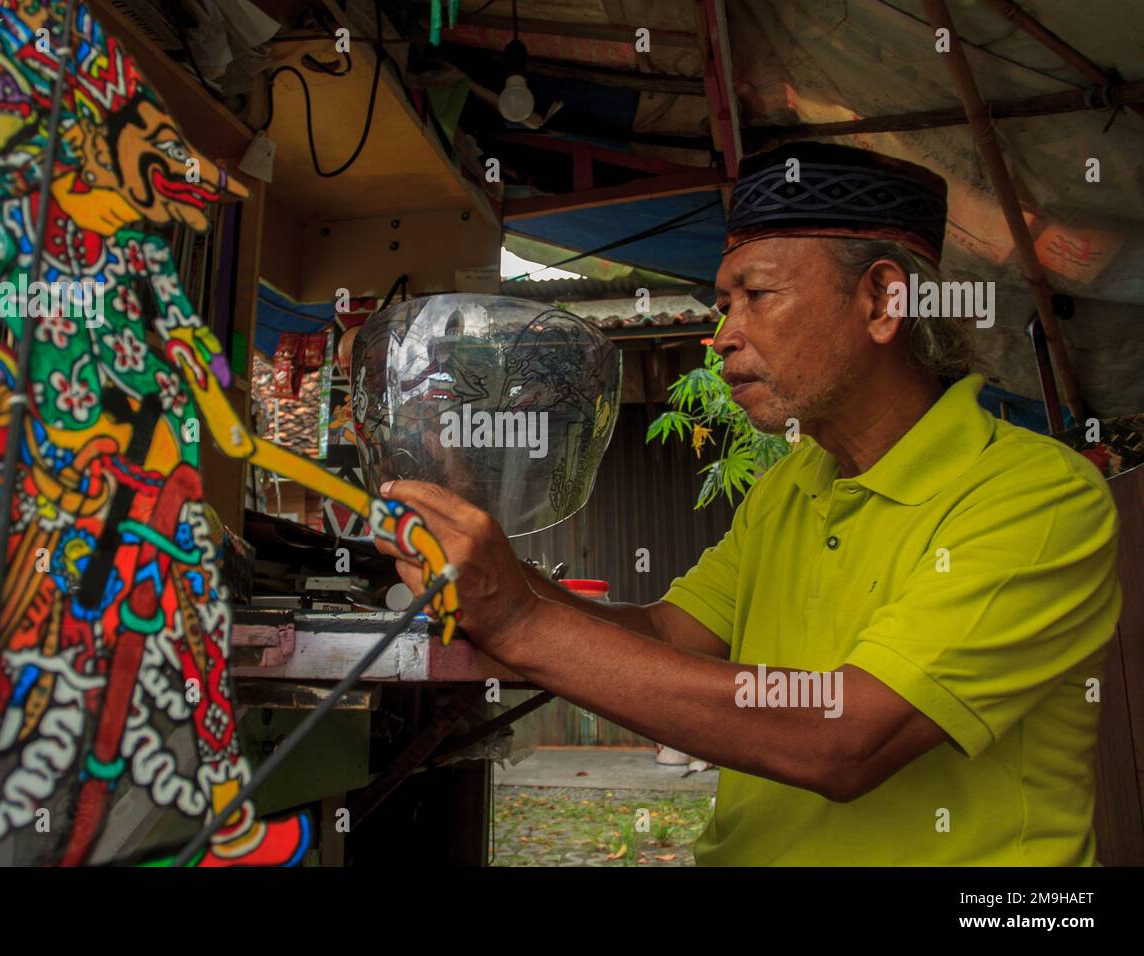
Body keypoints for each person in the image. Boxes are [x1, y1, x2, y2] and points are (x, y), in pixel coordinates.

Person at [376, 142, 1122, 866]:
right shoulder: (792, 486)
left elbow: (844, 739)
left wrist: (518, 619)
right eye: (724, 304)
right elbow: (667, 635)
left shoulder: (1036, 496)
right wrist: (493, 576)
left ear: (883, 300)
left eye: (755, 297)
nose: (721, 337)